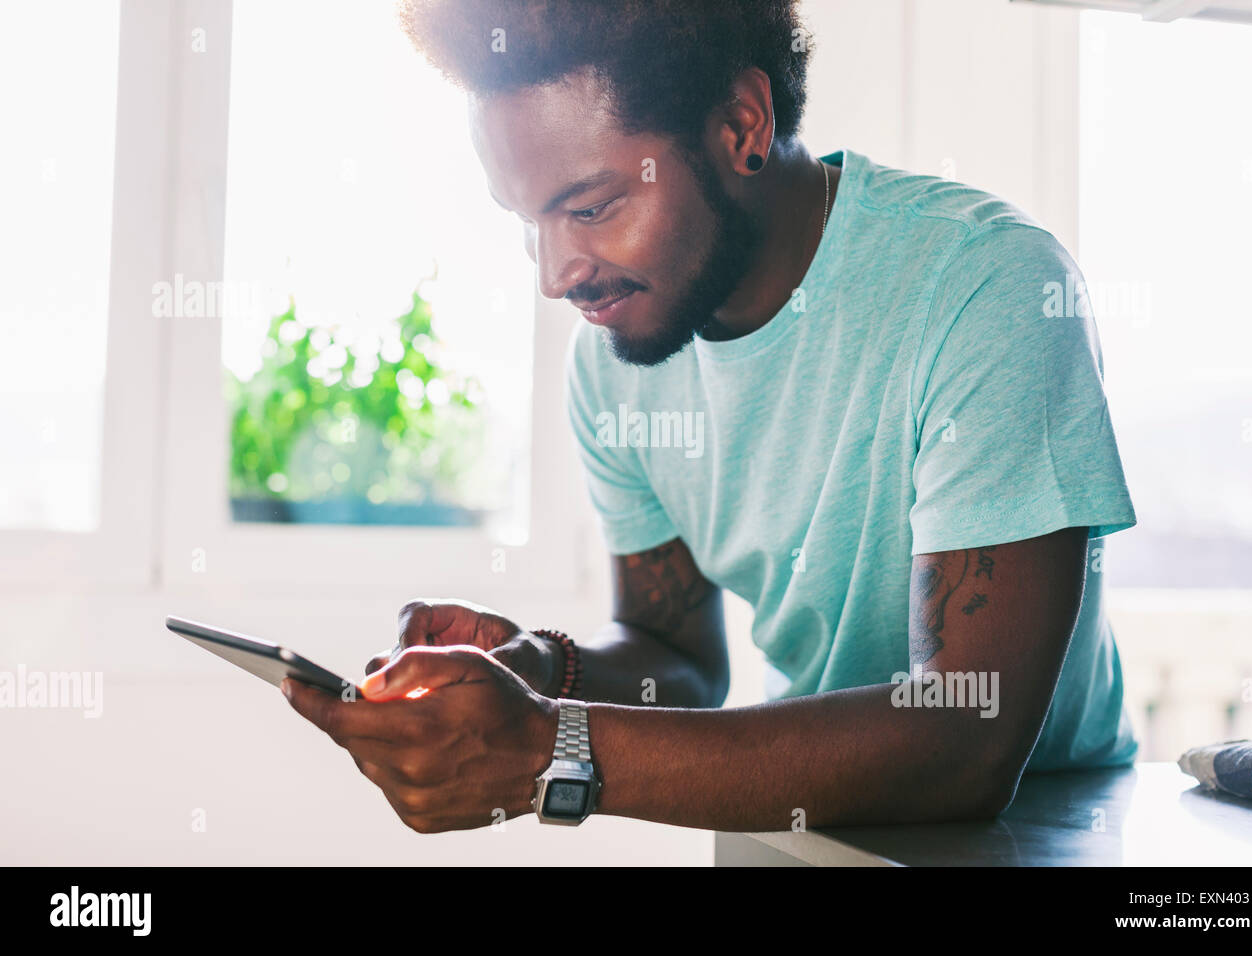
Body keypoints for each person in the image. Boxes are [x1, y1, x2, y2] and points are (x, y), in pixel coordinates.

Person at [282, 0, 1139, 834]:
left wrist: (548, 744)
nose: (556, 273)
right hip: (799, 826)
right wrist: (543, 668)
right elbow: (680, 659)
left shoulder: (987, 285)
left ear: (740, 126)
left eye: (588, 208)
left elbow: (965, 739)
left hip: (1052, 831)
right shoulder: (613, 365)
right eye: (527, 221)